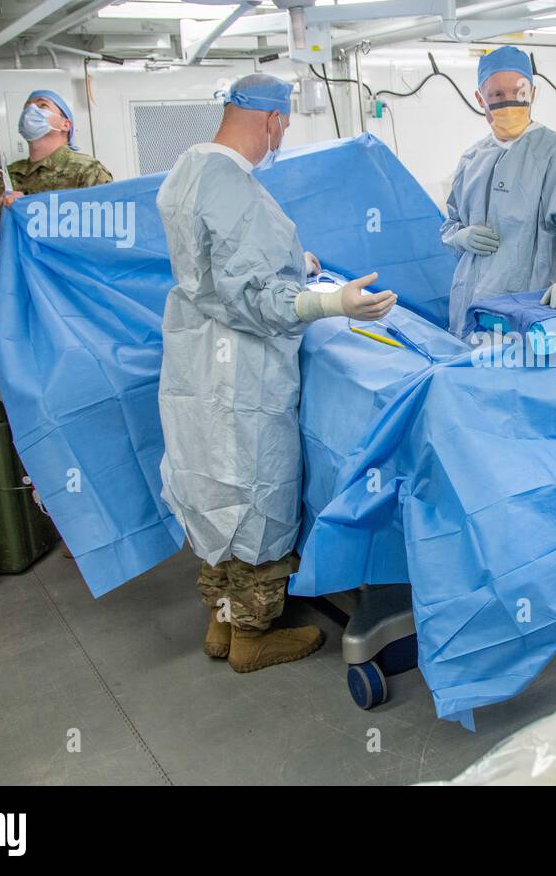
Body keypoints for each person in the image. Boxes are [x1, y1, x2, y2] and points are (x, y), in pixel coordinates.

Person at [156, 74, 396, 673]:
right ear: (271, 120)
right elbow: (256, 300)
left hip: (195, 365)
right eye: (284, 126)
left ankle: (222, 621)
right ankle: (254, 635)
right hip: (242, 371)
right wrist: (331, 301)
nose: (280, 137)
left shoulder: (185, 171)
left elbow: (219, 268)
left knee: (210, 484)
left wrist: (296, 263)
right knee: (256, 487)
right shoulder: (236, 186)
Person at [441, 46, 556, 338]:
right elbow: (451, 223)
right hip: (469, 310)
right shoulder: (472, 159)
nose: (509, 103)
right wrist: (460, 236)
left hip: (526, 311)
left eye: (518, 92)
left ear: (532, 93)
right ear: (480, 99)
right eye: (496, 95)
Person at [0, 85, 112, 213]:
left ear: (65, 124)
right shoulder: (4, 178)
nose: (31, 110)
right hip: (18, 269)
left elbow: (108, 228)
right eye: (27, 107)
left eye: (42, 105)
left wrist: (33, 210)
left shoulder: (86, 171)